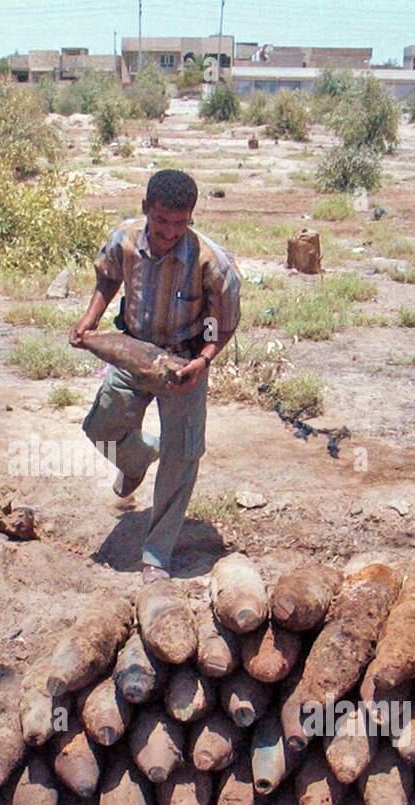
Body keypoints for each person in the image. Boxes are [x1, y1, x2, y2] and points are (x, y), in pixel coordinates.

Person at [70, 169, 242, 584]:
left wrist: (204, 360)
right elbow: (108, 277)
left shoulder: (212, 263)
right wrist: (90, 319)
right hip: (134, 353)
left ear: (191, 217)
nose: (168, 233)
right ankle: (137, 458)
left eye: (179, 223)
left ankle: (156, 554)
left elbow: (223, 323)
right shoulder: (123, 240)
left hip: (183, 364)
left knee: (182, 456)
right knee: (101, 427)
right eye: (161, 221)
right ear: (146, 207)